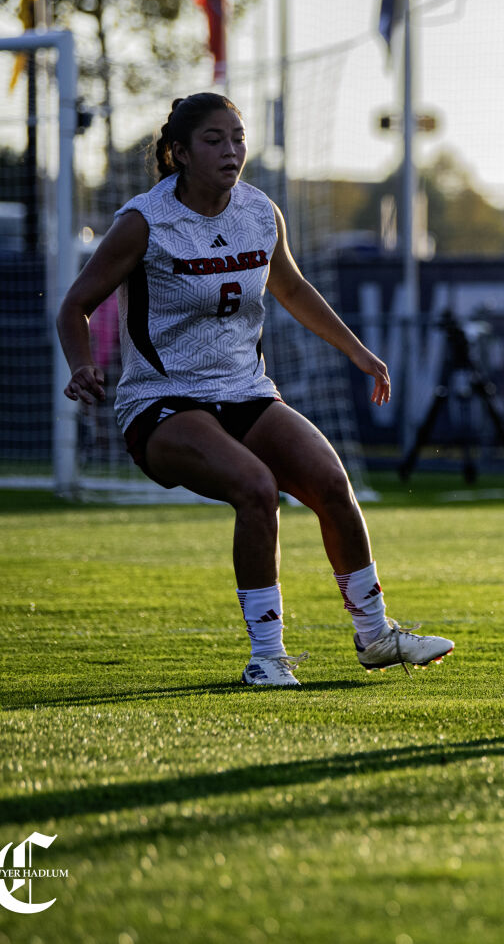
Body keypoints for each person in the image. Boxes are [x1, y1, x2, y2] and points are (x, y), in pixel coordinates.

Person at [56, 93, 453, 687]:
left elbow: (291, 288)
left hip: (244, 392)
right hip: (162, 402)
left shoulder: (260, 211)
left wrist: (357, 350)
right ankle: (267, 657)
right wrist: (81, 364)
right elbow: (74, 306)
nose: (232, 150)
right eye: (214, 139)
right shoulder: (144, 221)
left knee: (330, 482)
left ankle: (375, 635)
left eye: (238, 137)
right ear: (180, 153)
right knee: (256, 487)